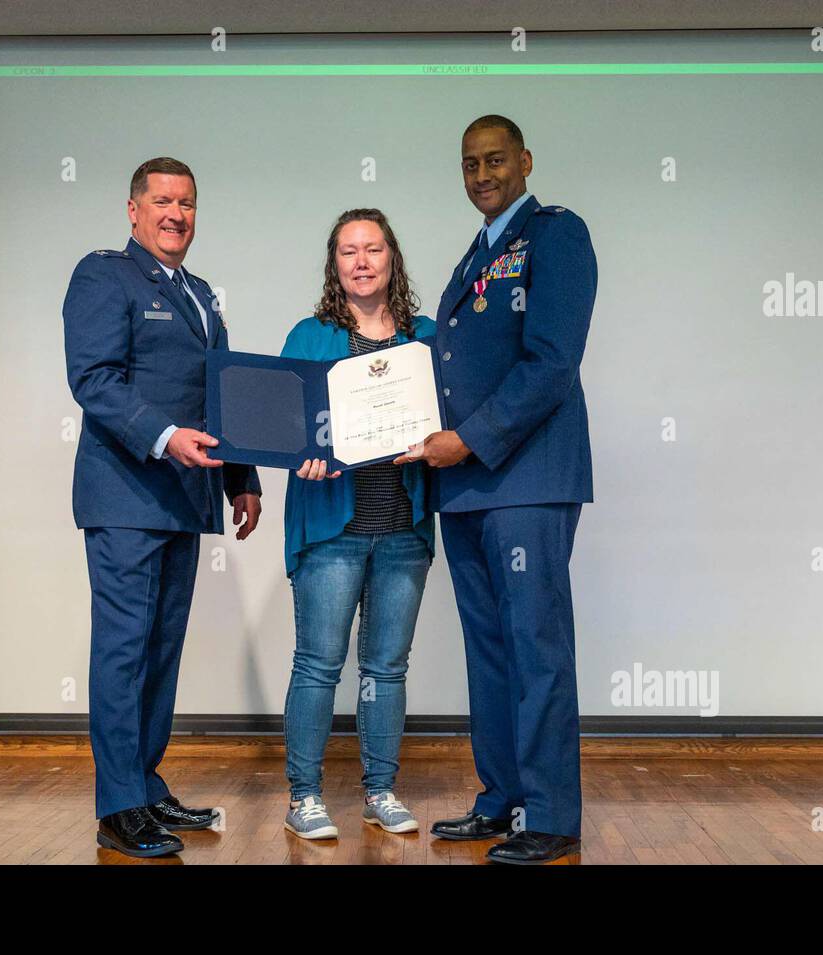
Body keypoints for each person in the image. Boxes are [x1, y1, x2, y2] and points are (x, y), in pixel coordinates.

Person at [394, 115, 598, 864]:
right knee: (489, 648)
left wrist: (469, 438)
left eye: (495, 160)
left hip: (527, 477)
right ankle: (502, 797)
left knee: (536, 644)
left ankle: (549, 814)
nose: (482, 174)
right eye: (470, 163)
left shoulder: (555, 235)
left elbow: (551, 363)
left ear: (525, 161)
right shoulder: (475, 256)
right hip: (468, 486)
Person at [62, 157, 263, 858]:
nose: (176, 213)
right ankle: (119, 804)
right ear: (133, 210)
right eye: (162, 201)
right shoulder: (103, 276)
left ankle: (143, 784)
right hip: (124, 497)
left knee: (160, 650)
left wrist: (244, 478)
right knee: (123, 649)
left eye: (187, 202)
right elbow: (93, 380)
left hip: (183, 498)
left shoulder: (201, 294)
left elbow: (224, 389)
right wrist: (164, 434)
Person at [278, 209, 436, 840]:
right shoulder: (308, 336)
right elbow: (285, 430)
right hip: (331, 533)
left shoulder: (424, 337)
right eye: (349, 251)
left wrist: (436, 442)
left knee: (387, 668)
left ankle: (380, 789)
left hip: (404, 529)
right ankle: (305, 796)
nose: (362, 261)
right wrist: (302, 459)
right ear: (334, 264)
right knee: (319, 664)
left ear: (391, 258)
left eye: (373, 249)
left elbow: (446, 422)